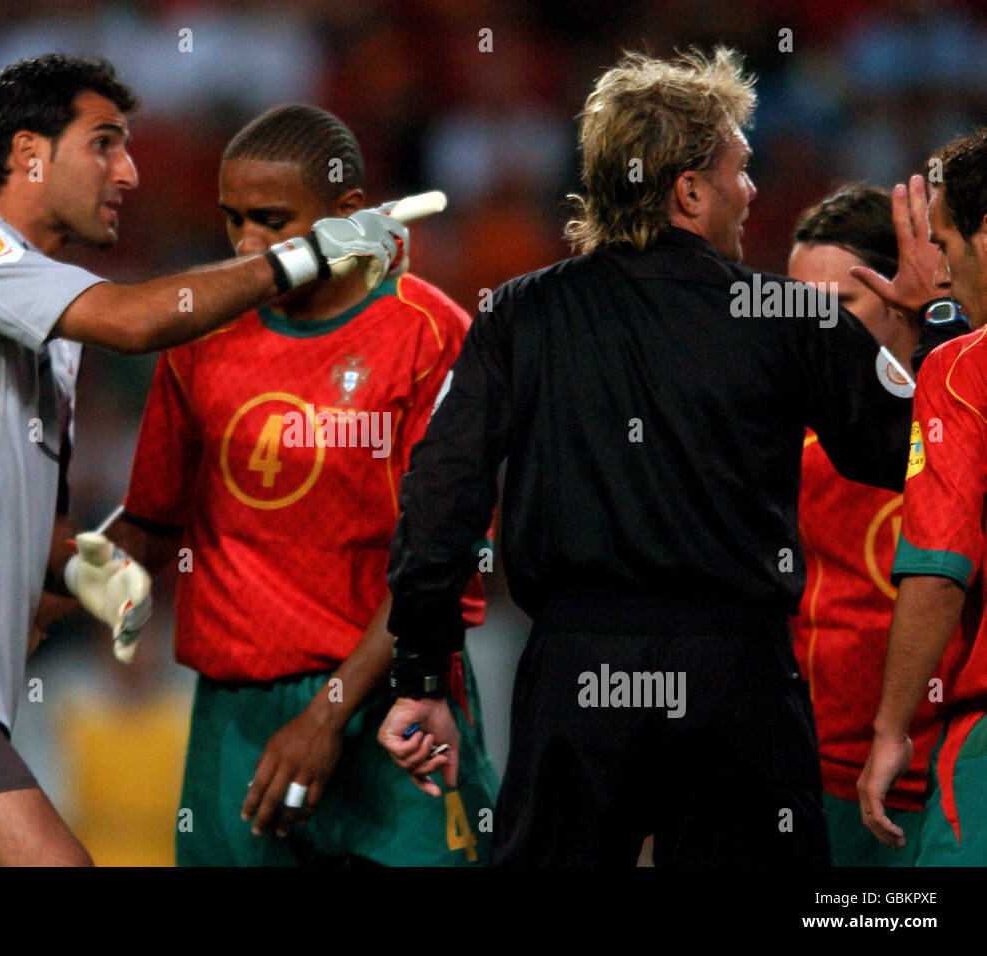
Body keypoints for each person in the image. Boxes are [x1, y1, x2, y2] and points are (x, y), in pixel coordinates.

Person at [0, 55, 408, 867]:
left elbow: (42, 544)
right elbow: (138, 318)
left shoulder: (47, 341)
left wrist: (126, 565)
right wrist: (304, 257)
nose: (131, 171)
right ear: (28, 154)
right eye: (105, 144)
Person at [377, 47, 957, 866]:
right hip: (738, 684)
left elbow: (440, 496)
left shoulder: (518, 315)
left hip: (576, 681)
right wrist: (939, 320)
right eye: (740, 169)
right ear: (689, 189)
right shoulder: (787, 317)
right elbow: (907, 450)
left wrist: (420, 675)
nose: (752, 192)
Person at [110, 104, 499, 866]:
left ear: (347, 214)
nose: (248, 248)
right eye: (232, 223)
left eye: (272, 222)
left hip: (394, 701)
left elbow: (443, 559)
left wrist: (325, 718)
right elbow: (152, 523)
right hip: (238, 720)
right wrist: (57, 591)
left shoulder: (430, 333)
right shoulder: (200, 328)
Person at [788, 182, 962, 866]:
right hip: (820, 779)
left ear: (904, 298)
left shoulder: (966, 418)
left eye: (839, 308)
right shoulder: (775, 433)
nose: (812, 331)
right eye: (797, 308)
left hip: (953, 769)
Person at [859, 128, 987, 865]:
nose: (937, 267)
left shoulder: (963, 373)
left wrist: (890, 729)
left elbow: (940, 564)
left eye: (944, 242)